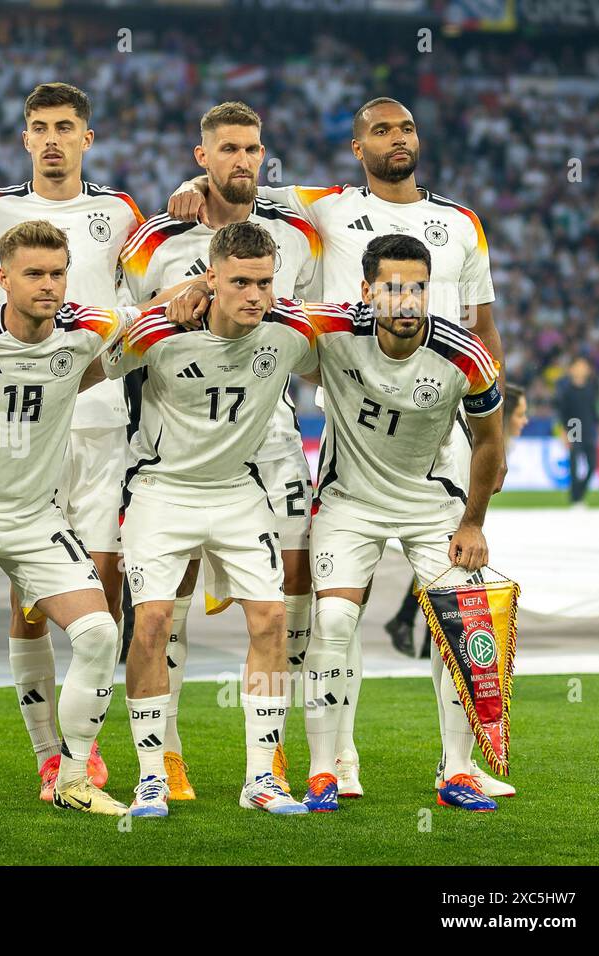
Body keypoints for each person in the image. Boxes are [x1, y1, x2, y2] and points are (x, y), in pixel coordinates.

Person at [169, 95, 505, 799]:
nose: (397, 137)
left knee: (464, 611)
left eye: (407, 125)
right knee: (330, 615)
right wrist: (197, 186)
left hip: (440, 433)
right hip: (353, 435)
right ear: (358, 147)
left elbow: (483, 325)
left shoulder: (460, 222)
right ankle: (334, 763)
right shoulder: (324, 205)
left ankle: (461, 767)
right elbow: (241, 183)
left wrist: (500, 409)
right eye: (381, 129)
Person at [0, 83, 144, 799]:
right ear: (25, 138)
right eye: (40, 128)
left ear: (87, 137)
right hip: (24, 430)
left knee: (103, 585)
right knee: (29, 594)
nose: (53, 138)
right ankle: (49, 755)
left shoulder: (119, 212)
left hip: (101, 420)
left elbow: (154, 294)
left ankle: (85, 745)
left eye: (66, 126)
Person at [119, 101, 322, 798]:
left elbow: (327, 334)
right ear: (201, 155)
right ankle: (161, 759)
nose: (244, 159)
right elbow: (108, 344)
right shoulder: (155, 239)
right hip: (171, 456)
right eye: (228, 148)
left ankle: (268, 764)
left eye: (254, 148)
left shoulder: (295, 231)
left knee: (287, 600)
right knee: (157, 612)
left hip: (263, 445)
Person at [299, 234, 505, 813]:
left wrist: (473, 522)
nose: (406, 299)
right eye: (392, 287)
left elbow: (490, 443)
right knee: (334, 619)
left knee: (465, 623)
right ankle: (325, 771)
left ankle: (458, 771)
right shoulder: (332, 330)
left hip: (432, 505)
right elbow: (261, 315)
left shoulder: (464, 354)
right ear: (368, 291)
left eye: (417, 286)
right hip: (349, 502)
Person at [385, 384, 527, 659]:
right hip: (441, 506)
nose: (524, 421)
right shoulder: (475, 443)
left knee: (446, 562)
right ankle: (420, 628)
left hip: (451, 511)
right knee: (451, 560)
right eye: (520, 414)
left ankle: (411, 624)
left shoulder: (488, 444)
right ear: (506, 415)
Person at [555, 356, 599, 508]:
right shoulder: (566, 391)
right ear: (571, 370)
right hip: (574, 429)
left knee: (593, 466)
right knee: (574, 466)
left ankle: (579, 494)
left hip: (589, 430)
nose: (581, 369)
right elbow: (562, 414)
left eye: (584, 366)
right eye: (578, 366)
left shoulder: (591, 389)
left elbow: (595, 412)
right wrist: (564, 434)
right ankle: (575, 499)